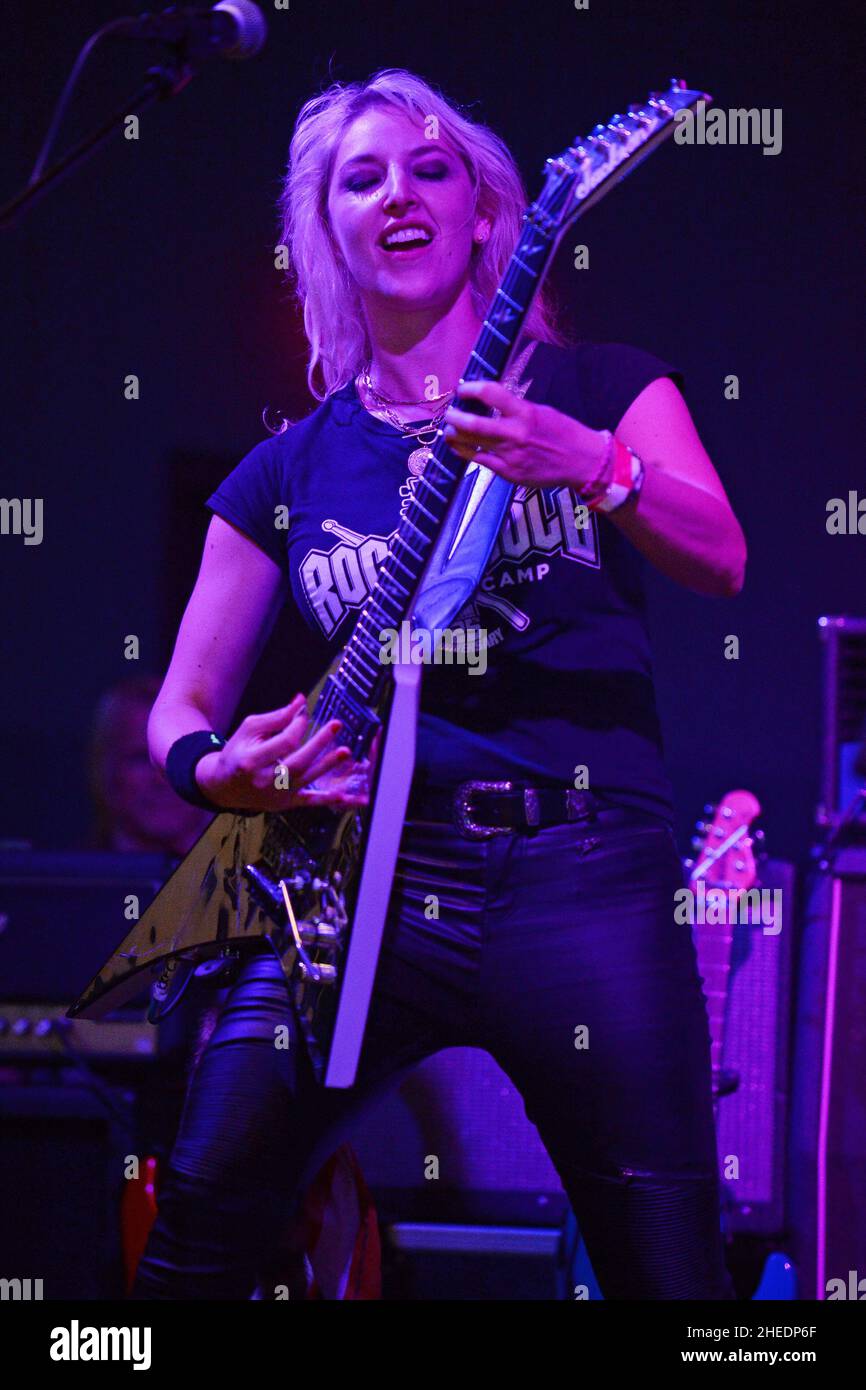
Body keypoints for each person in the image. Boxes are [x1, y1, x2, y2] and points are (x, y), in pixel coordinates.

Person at [132, 67, 747, 1300]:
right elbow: (177, 710)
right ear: (327, 232)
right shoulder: (283, 470)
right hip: (357, 887)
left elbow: (722, 555)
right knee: (193, 1227)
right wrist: (221, 768)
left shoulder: (599, 386)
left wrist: (588, 464)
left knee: (671, 1270)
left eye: (429, 170)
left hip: (582, 878)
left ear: (484, 215)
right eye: (360, 179)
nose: (397, 194)